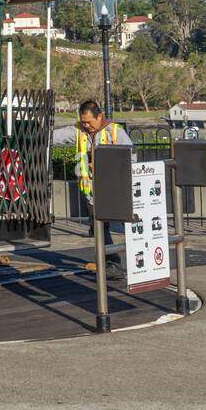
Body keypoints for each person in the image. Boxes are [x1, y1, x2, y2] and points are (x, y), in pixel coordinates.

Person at [52, 100, 131, 278]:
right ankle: (112, 266)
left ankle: (133, 265)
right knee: (98, 229)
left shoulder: (115, 132)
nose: (86, 125)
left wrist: (105, 165)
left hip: (114, 190)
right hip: (92, 194)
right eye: (83, 121)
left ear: (100, 116)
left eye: (89, 122)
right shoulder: (79, 131)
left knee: (127, 228)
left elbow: (130, 158)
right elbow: (55, 136)